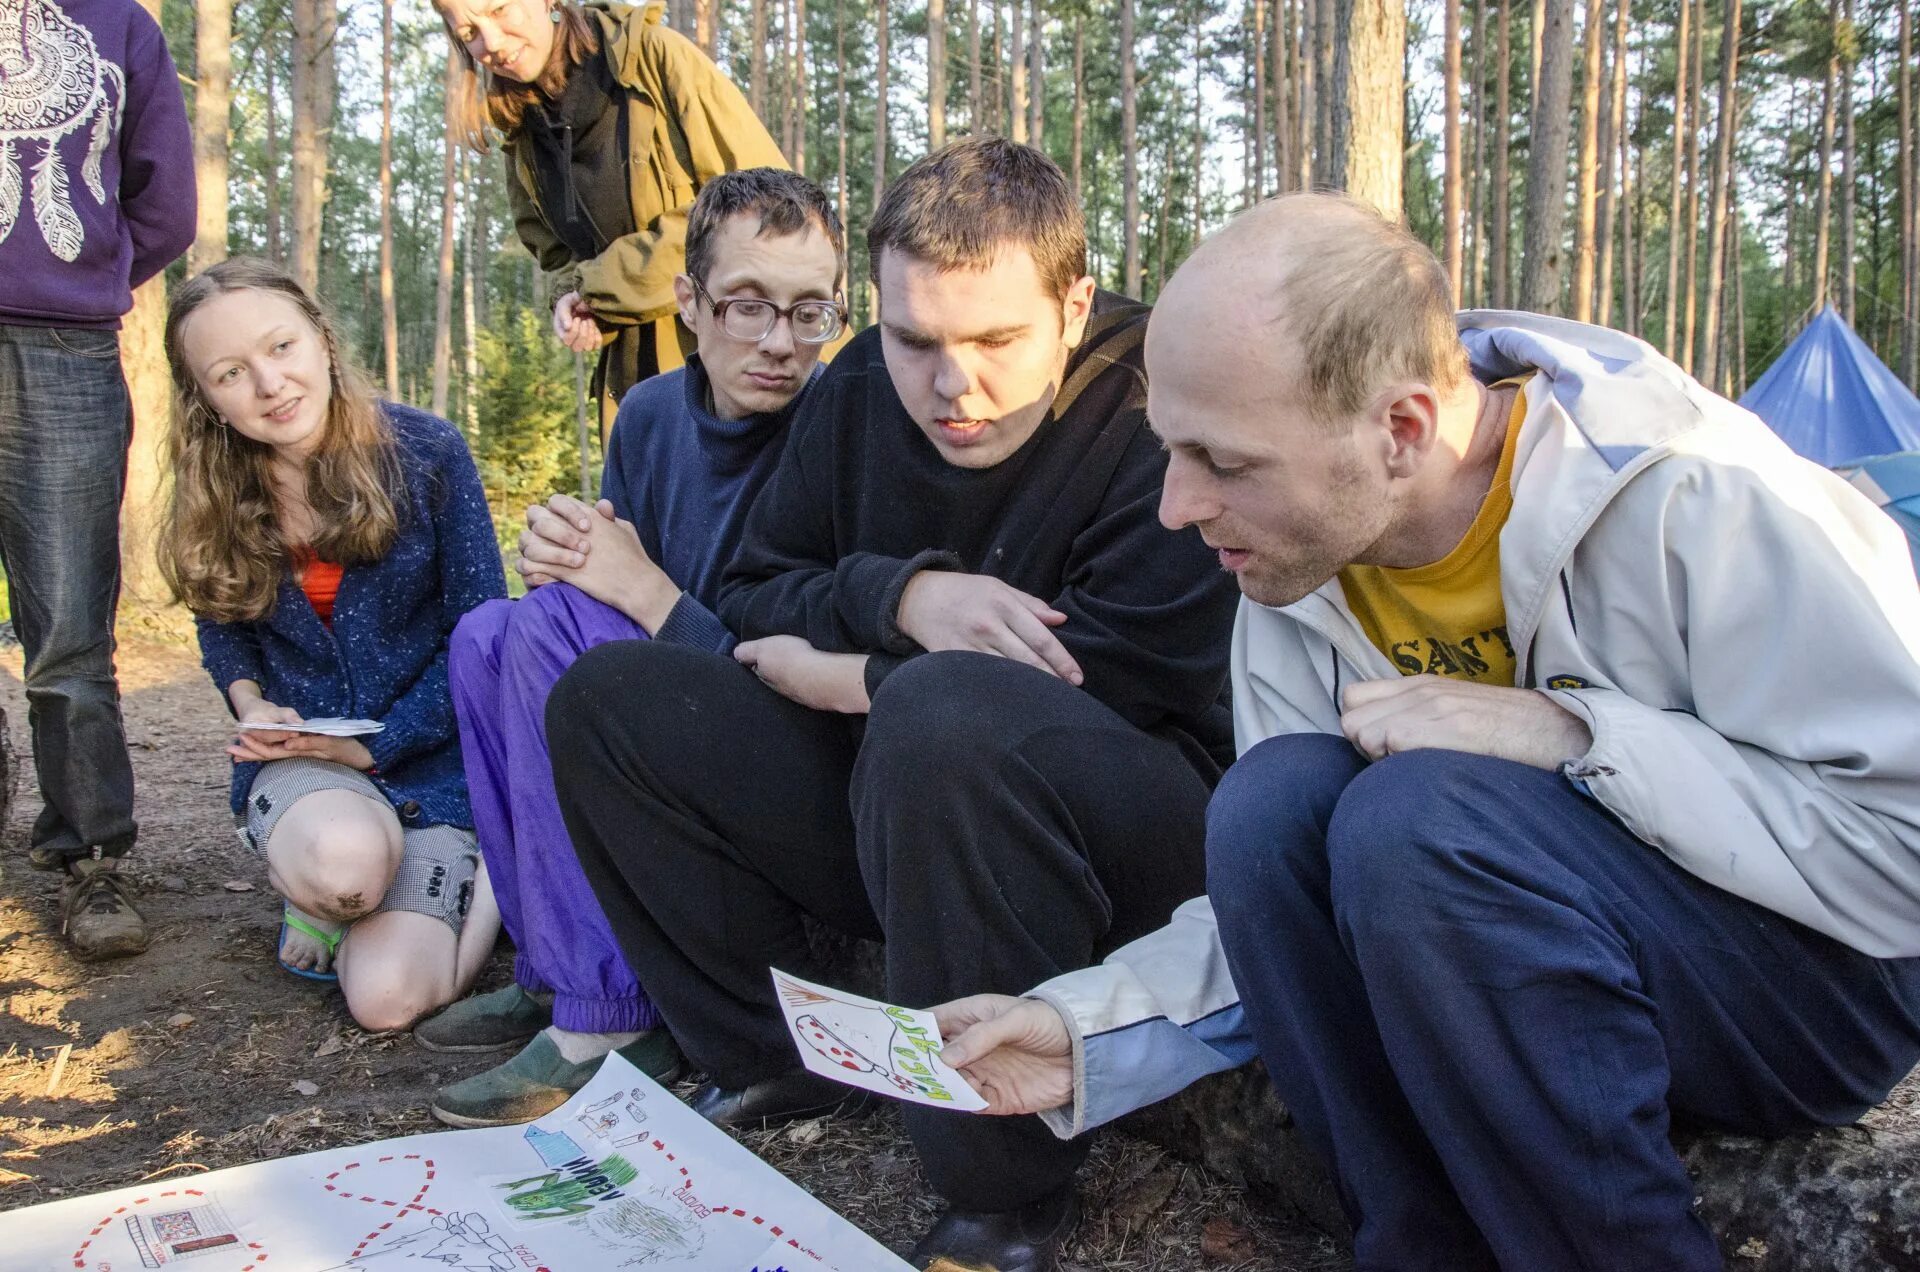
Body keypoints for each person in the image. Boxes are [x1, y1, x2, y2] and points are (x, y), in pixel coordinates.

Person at [933, 193, 1920, 1271]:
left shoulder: (1702, 499)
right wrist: (1086, 1029)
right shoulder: (1297, 572)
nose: (1176, 506)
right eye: (1170, 451)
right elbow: (1276, 900)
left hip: (1815, 984)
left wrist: (1573, 734)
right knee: (1271, 807)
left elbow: (1901, 859)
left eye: (1223, 462)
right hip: (1538, 973)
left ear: (1400, 430)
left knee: (1420, 814)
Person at [545, 137, 1240, 1272]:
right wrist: (904, 594)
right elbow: (756, 586)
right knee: (612, 700)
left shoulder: (1155, 401)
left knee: (948, 715)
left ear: (1072, 307)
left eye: (997, 341)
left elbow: (1128, 671)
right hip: (899, 798)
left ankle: (1000, 1193)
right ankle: (771, 1052)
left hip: (1129, 835)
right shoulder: (865, 385)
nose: (952, 386)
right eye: (916, 339)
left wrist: (858, 678)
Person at [418, 167, 847, 1128]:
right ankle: (550, 965)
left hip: (788, 743)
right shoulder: (651, 414)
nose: (782, 342)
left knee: (554, 627)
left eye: (809, 311)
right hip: (658, 716)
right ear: (689, 302)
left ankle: (612, 1012)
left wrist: (638, 590)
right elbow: (605, 595)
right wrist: (568, 556)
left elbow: (798, 664)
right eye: (748, 306)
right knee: (490, 634)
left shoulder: (837, 428)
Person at [157, 258, 508, 1033]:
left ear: (320, 339)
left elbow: (481, 635)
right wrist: (251, 704)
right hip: (307, 765)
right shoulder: (215, 487)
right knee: (349, 868)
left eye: (281, 348)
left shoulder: (426, 453)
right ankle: (330, 891)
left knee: (387, 1003)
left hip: (435, 769)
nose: (269, 384)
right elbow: (221, 622)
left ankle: (482, 876)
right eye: (231, 372)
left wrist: (383, 750)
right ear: (206, 399)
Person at [0, 0, 195, 958]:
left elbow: (167, 205)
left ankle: (92, 861)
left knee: (69, 633)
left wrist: (86, 270)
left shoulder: (121, 25)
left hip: (64, 347)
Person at [434, 0, 788, 432]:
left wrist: (599, 288)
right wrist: (573, 299)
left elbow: (764, 201)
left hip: (752, 364)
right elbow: (557, 254)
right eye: (468, 32)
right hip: (639, 388)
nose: (489, 42)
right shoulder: (521, 132)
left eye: (499, 9)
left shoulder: (653, 59)